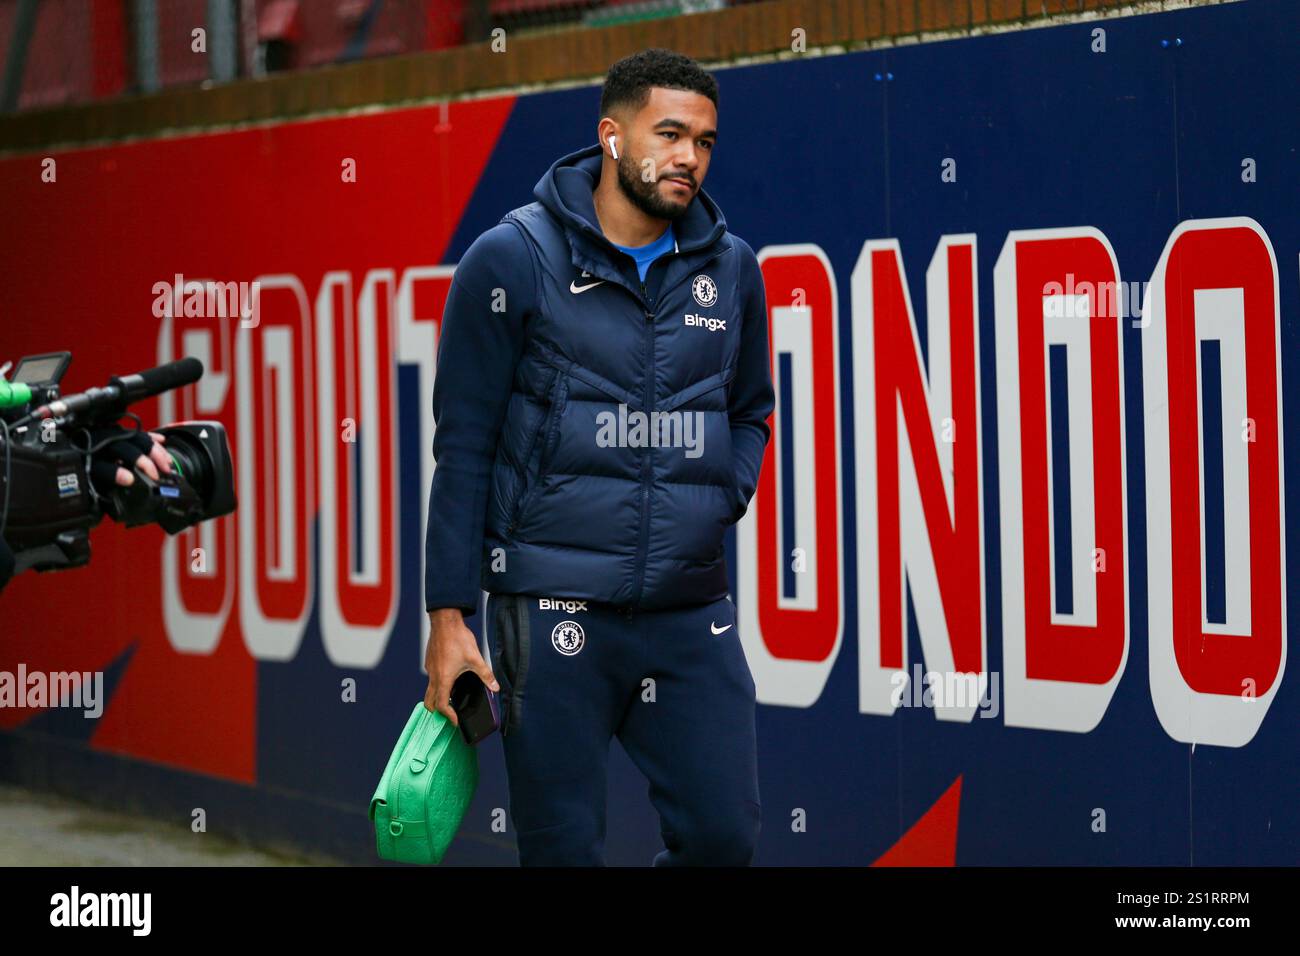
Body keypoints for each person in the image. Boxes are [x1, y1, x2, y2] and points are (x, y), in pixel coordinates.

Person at [422, 48, 774, 866]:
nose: (689, 157)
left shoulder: (732, 269)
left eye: (706, 141)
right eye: (671, 133)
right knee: (562, 852)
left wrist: (722, 495)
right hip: (550, 612)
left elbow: (750, 409)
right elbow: (464, 447)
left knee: (723, 838)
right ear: (612, 138)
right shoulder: (510, 260)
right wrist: (448, 619)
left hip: (689, 610)